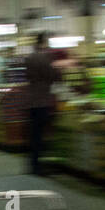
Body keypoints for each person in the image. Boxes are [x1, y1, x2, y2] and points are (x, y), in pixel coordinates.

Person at [24, 33, 58, 175]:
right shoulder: (44, 58)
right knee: (40, 134)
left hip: (31, 99)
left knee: (33, 134)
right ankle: (38, 167)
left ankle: (33, 165)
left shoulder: (30, 57)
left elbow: (28, 76)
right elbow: (52, 75)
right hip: (42, 100)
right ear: (44, 42)